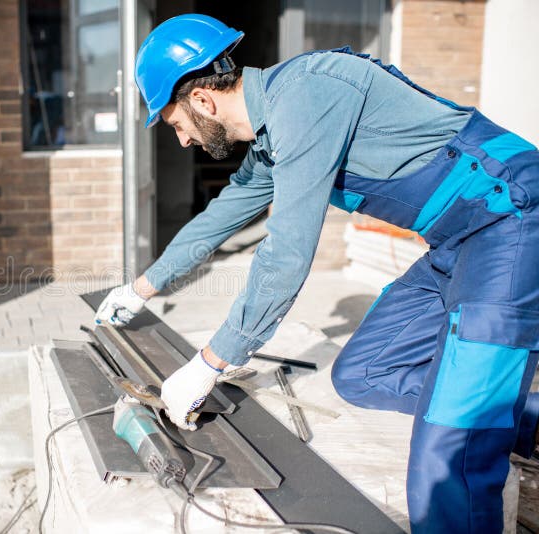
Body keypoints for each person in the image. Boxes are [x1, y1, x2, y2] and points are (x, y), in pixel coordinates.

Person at [93, 13, 539, 533]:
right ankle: (518, 415)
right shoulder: (269, 140)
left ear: (201, 101)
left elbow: (286, 252)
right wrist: (140, 289)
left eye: (176, 125)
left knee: (446, 464)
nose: (183, 141)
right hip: (461, 238)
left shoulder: (307, 94)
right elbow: (220, 217)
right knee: (362, 373)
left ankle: (472, 426)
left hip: (513, 215)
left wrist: (211, 363)